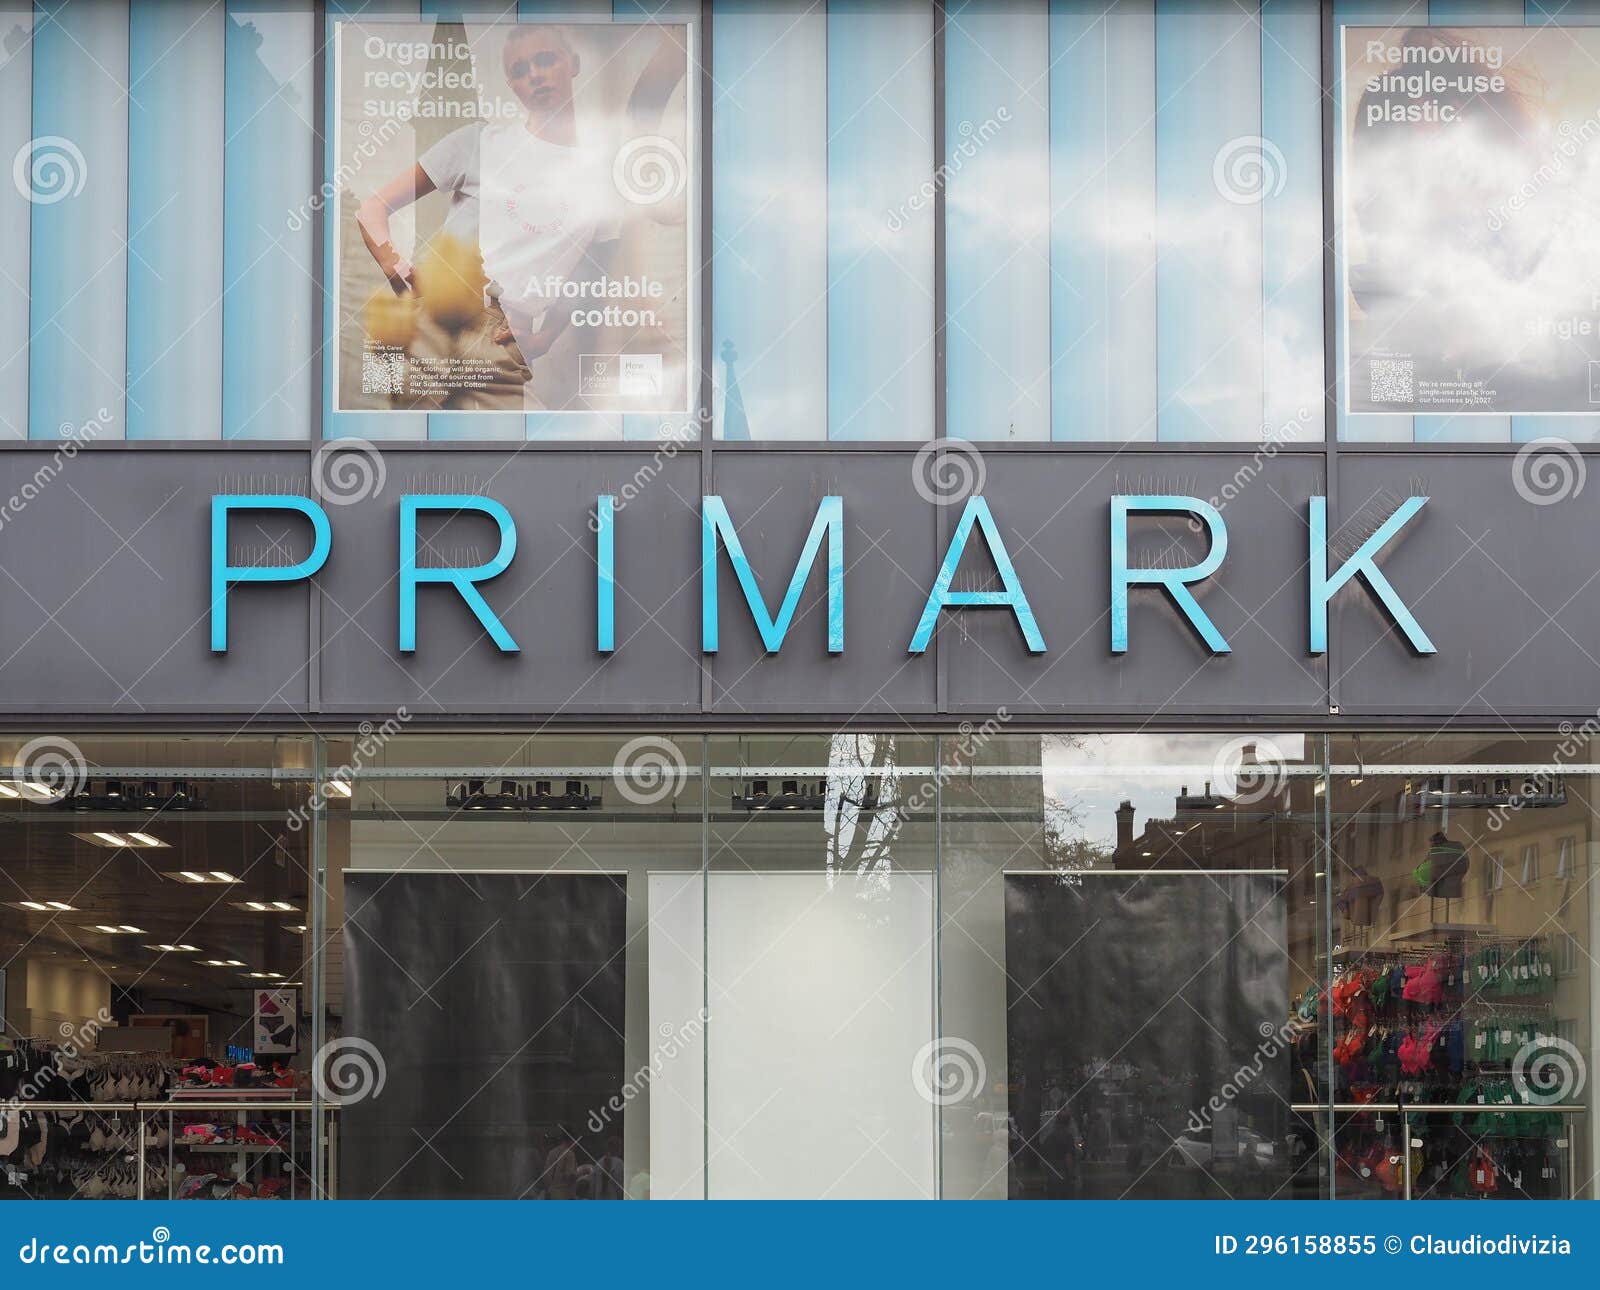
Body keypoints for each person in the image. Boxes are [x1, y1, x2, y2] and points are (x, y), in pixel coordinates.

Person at [356, 24, 685, 410]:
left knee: (524, 452)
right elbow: (371, 209)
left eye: (545, 59)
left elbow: (595, 266)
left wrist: (547, 336)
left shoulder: (603, 169)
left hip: (497, 336)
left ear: (572, 63)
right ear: (512, 84)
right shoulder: (477, 141)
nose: (535, 74)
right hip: (417, 322)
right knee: (388, 440)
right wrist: (401, 276)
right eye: (520, 69)